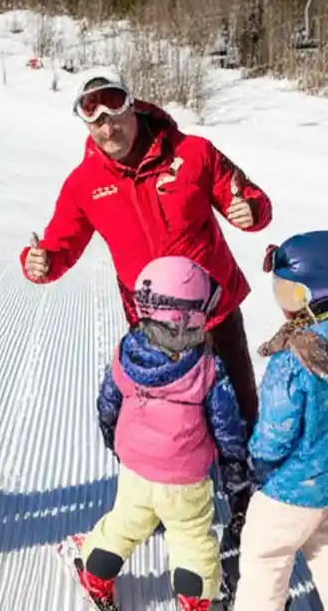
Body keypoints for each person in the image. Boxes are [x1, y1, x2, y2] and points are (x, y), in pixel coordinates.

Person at [20, 67, 272, 436]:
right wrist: (39, 263)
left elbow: (251, 199)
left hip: (216, 315)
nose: (108, 130)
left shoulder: (194, 152)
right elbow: (59, 246)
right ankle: (193, 489)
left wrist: (250, 210)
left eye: (115, 114)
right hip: (153, 327)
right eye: (96, 121)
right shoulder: (83, 184)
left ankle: (247, 489)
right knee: (180, 428)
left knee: (240, 415)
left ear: (132, 106)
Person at [73, 256, 252, 611]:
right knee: (190, 537)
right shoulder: (207, 368)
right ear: (193, 317)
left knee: (125, 522)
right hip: (185, 479)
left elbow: (108, 402)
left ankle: (96, 572)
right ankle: (195, 597)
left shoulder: (127, 354)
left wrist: (113, 438)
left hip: (136, 469)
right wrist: (235, 465)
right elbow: (227, 425)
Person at [235, 230, 328, 611]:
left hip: (286, 490)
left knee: (264, 560)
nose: (283, 305)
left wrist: (255, 461)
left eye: (291, 295)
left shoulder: (293, 359)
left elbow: (275, 432)